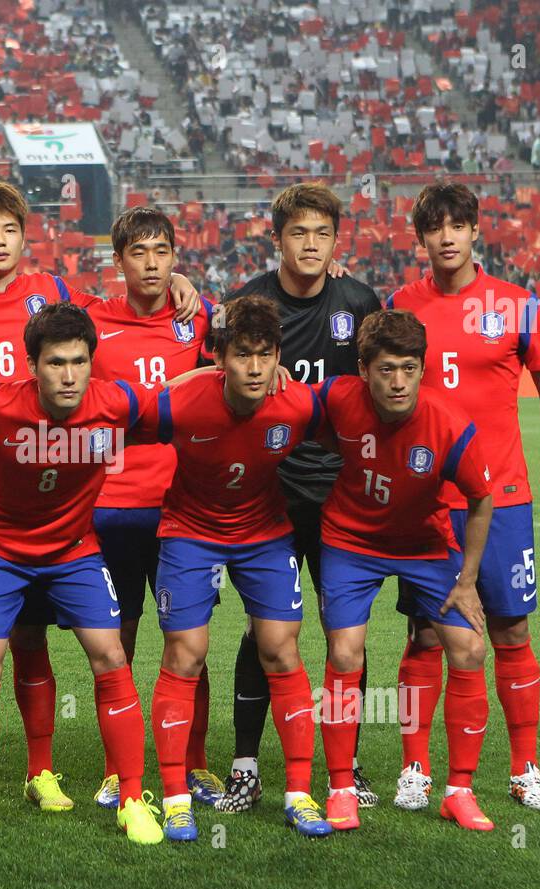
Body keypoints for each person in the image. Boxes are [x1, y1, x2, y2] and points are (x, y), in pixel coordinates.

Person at [0, 302, 165, 850]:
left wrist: (228, 372)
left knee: (112, 656)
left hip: (73, 550)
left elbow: (180, 397)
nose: (68, 375)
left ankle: (134, 799)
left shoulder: (115, 401)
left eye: (78, 362)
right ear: (33, 365)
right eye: (55, 363)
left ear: (92, 362)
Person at [387, 181, 540, 812]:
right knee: (426, 634)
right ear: (421, 238)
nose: (445, 237)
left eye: (455, 226)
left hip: (505, 496)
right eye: (433, 228)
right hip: (430, 500)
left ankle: (524, 769)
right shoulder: (403, 305)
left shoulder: (517, 305)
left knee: (510, 630)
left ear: (473, 231)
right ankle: (417, 769)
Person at [138, 296, 334, 841]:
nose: (253, 368)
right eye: (242, 355)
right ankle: (176, 797)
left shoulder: (298, 406)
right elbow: (115, 420)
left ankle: (299, 792)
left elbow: (355, 429)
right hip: (189, 533)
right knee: (186, 653)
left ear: (278, 357)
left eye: (264, 355)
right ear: (222, 357)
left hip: (265, 534)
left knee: (281, 649)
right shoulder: (180, 403)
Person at [215, 183, 383, 813]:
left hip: (342, 495)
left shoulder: (358, 299)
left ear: (335, 241)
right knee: (266, 631)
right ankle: (246, 766)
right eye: (298, 234)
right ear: (277, 239)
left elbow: (382, 378)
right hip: (273, 493)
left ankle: (348, 762)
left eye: (322, 234)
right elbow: (217, 376)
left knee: (347, 636)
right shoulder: (248, 304)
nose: (310, 246)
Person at [313, 310, 495, 832]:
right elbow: (304, 418)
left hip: (425, 546)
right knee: (345, 651)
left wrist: (466, 580)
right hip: (350, 542)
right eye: (387, 369)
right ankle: (342, 788)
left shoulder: (451, 425)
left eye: (410, 369)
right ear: (363, 369)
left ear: (422, 368)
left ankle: (458, 791)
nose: (398, 382)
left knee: (470, 648)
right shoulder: (336, 398)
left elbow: (482, 501)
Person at [84, 206, 222, 810]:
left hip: (182, 509)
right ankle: (120, 769)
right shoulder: (92, 320)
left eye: (161, 252)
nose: (151, 264)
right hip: (111, 504)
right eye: (137, 252)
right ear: (118, 262)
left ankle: (195, 762)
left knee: (188, 641)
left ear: (174, 257)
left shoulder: (201, 319)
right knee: (118, 642)